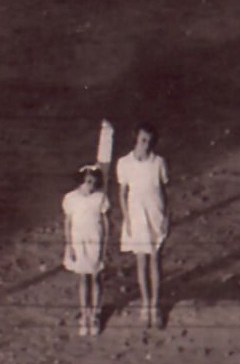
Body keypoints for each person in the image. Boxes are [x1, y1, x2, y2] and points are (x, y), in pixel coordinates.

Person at [115, 124, 169, 328]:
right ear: (135, 140)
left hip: (155, 214)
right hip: (137, 218)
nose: (145, 145)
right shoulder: (124, 163)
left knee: (155, 261)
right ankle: (145, 305)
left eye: (149, 141)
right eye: (142, 140)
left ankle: (155, 306)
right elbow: (122, 194)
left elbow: (164, 193)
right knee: (141, 262)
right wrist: (127, 218)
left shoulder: (159, 163)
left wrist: (166, 217)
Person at [60, 165, 109, 337]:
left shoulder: (100, 198)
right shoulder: (71, 199)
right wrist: (69, 245)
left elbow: (106, 224)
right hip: (78, 242)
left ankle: (95, 313)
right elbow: (68, 223)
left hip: (95, 241)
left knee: (96, 278)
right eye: (88, 182)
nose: (90, 186)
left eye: (94, 183)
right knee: (83, 278)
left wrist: (105, 245)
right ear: (81, 181)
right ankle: (84, 313)